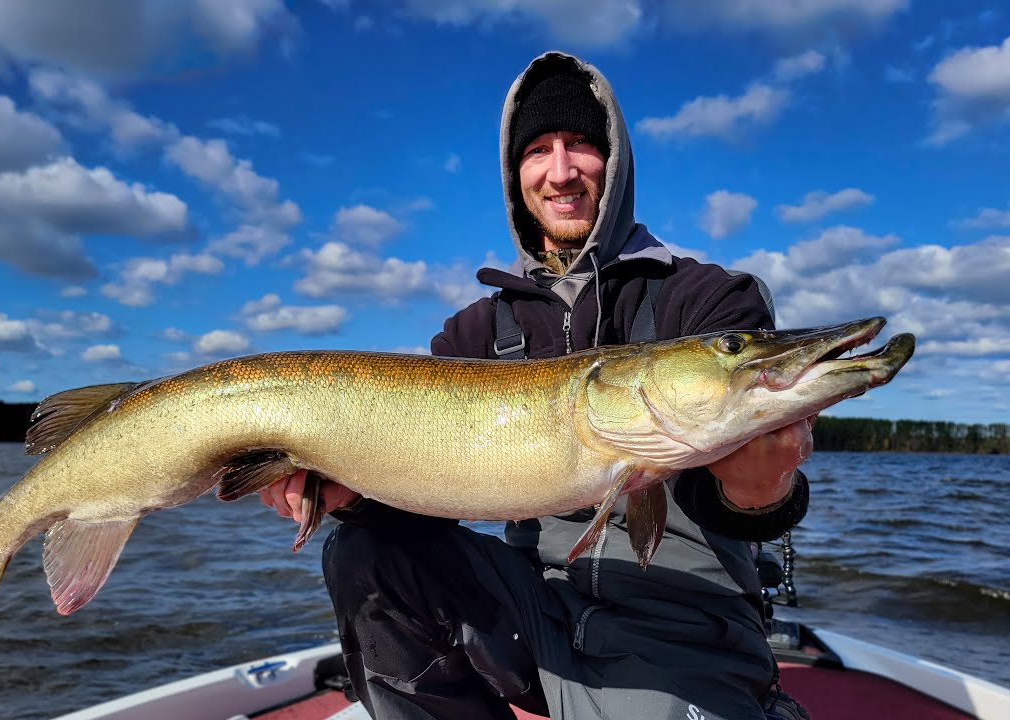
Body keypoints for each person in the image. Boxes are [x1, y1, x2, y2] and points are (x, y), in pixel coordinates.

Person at [259, 51, 813, 720]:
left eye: (580, 144)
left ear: (616, 160)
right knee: (367, 552)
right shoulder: (472, 334)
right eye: (539, 150)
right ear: (514, 172)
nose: (560, 172)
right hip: (536, 614)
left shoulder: (706, 303)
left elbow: (742, 491)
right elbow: (425, 495)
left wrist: (764, 495)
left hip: (681, 629)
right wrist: (349, 493)